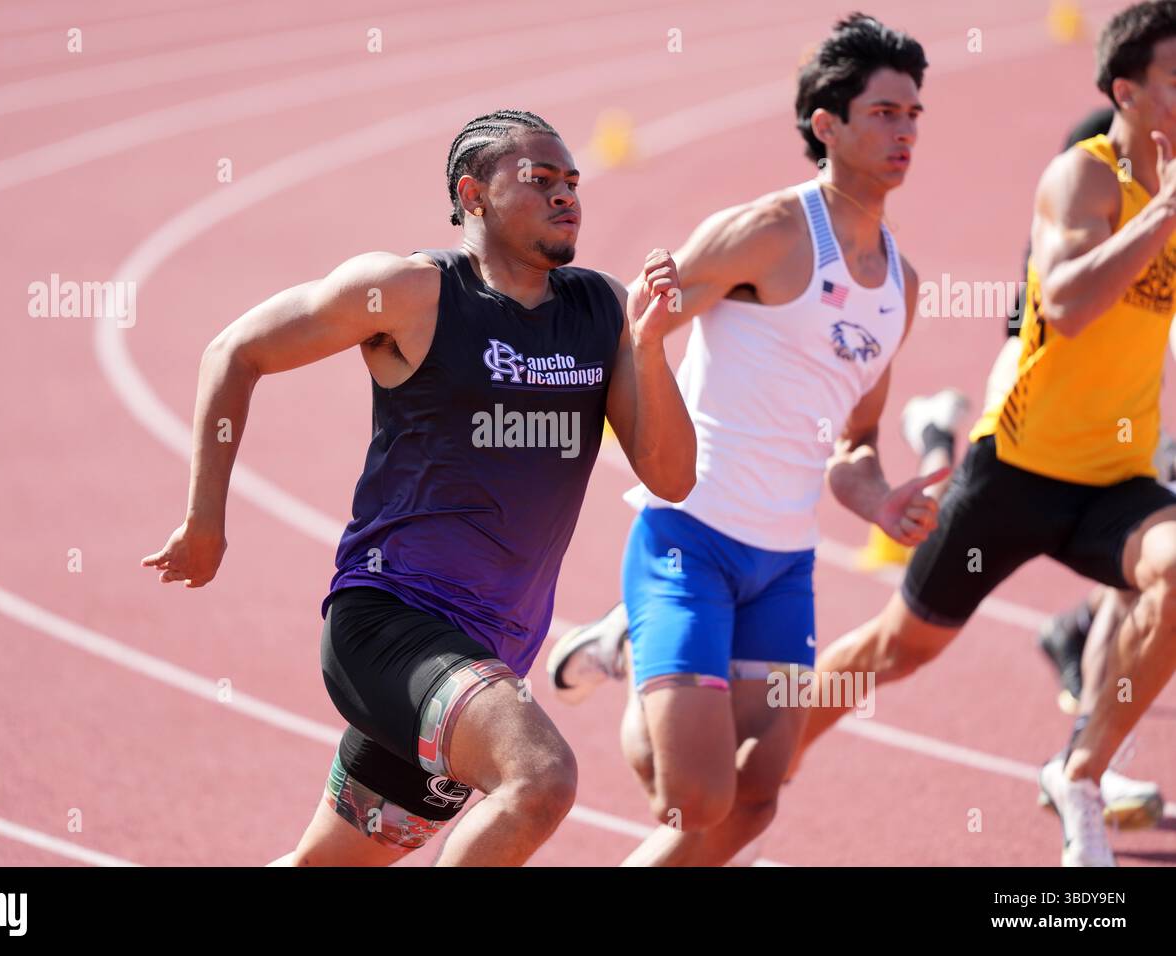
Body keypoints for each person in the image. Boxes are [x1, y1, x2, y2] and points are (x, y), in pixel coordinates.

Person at [141, 109, 697, 866]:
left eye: (573, 182)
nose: (568, 195)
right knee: (539, 779)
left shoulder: (601, 310)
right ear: (473, 194)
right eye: (541, 180)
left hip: (491, 652)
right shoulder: (410, 293)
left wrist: (652, 345)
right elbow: (235, 350)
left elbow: (672, 474)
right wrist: (205, 520)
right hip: (390, 627)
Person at [550, 14, 940, 866]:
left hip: (782, 564)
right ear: (826, 126)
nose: (904, 130)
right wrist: (642, 350)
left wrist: (879, 500)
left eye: (913, 113)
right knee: (691, 797)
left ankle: (629, 644)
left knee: (758, 800)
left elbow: (857, 440)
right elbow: (636, 331)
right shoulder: (767, 230)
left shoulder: (901, 288)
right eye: (882, 112)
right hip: (690, 536)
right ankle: (632, 642)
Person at [792, 1, 1176, 866]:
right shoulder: (1085, 178)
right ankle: (766, 762)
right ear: (1129, 91)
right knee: (895, 651)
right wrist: (1162, 216)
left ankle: (1080, 774)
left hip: (1116, 478)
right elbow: (1068, 306)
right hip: (1018, 468)